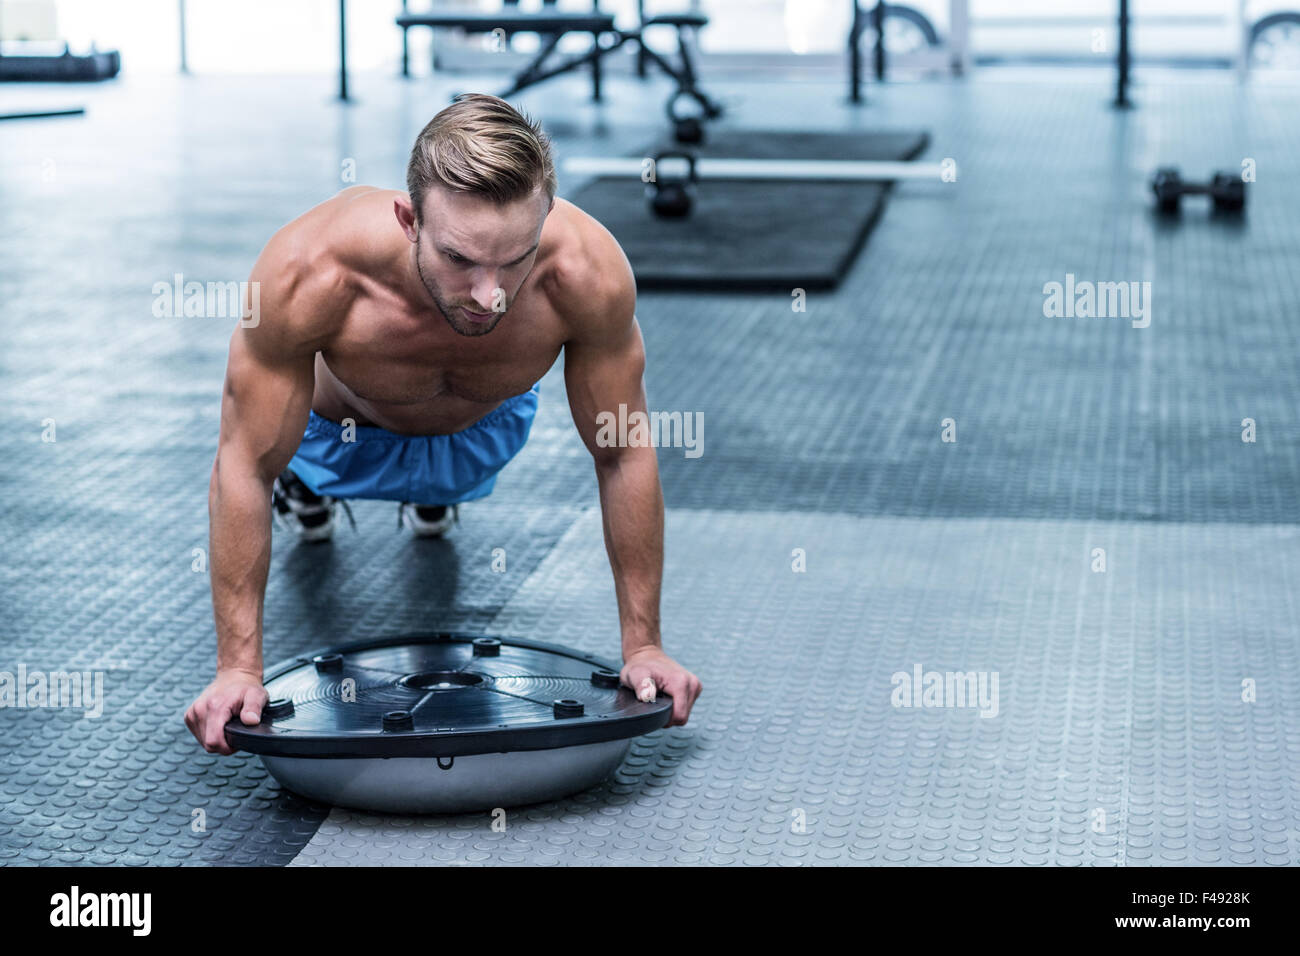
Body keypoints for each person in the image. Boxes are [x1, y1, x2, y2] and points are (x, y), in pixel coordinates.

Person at [185, 94, 701, 755]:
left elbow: (622, 452)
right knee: (270, 441)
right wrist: (237, 668)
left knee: (457, 460)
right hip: (336, 435)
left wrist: (645, 646)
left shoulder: (587, 272)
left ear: (545, 218)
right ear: (409, 220)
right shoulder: (308, 271)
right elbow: (244, 463)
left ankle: (434, 487)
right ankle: (308, 484)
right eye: (460, 259)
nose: (491, 295)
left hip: (479, 433)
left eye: (515, 258)